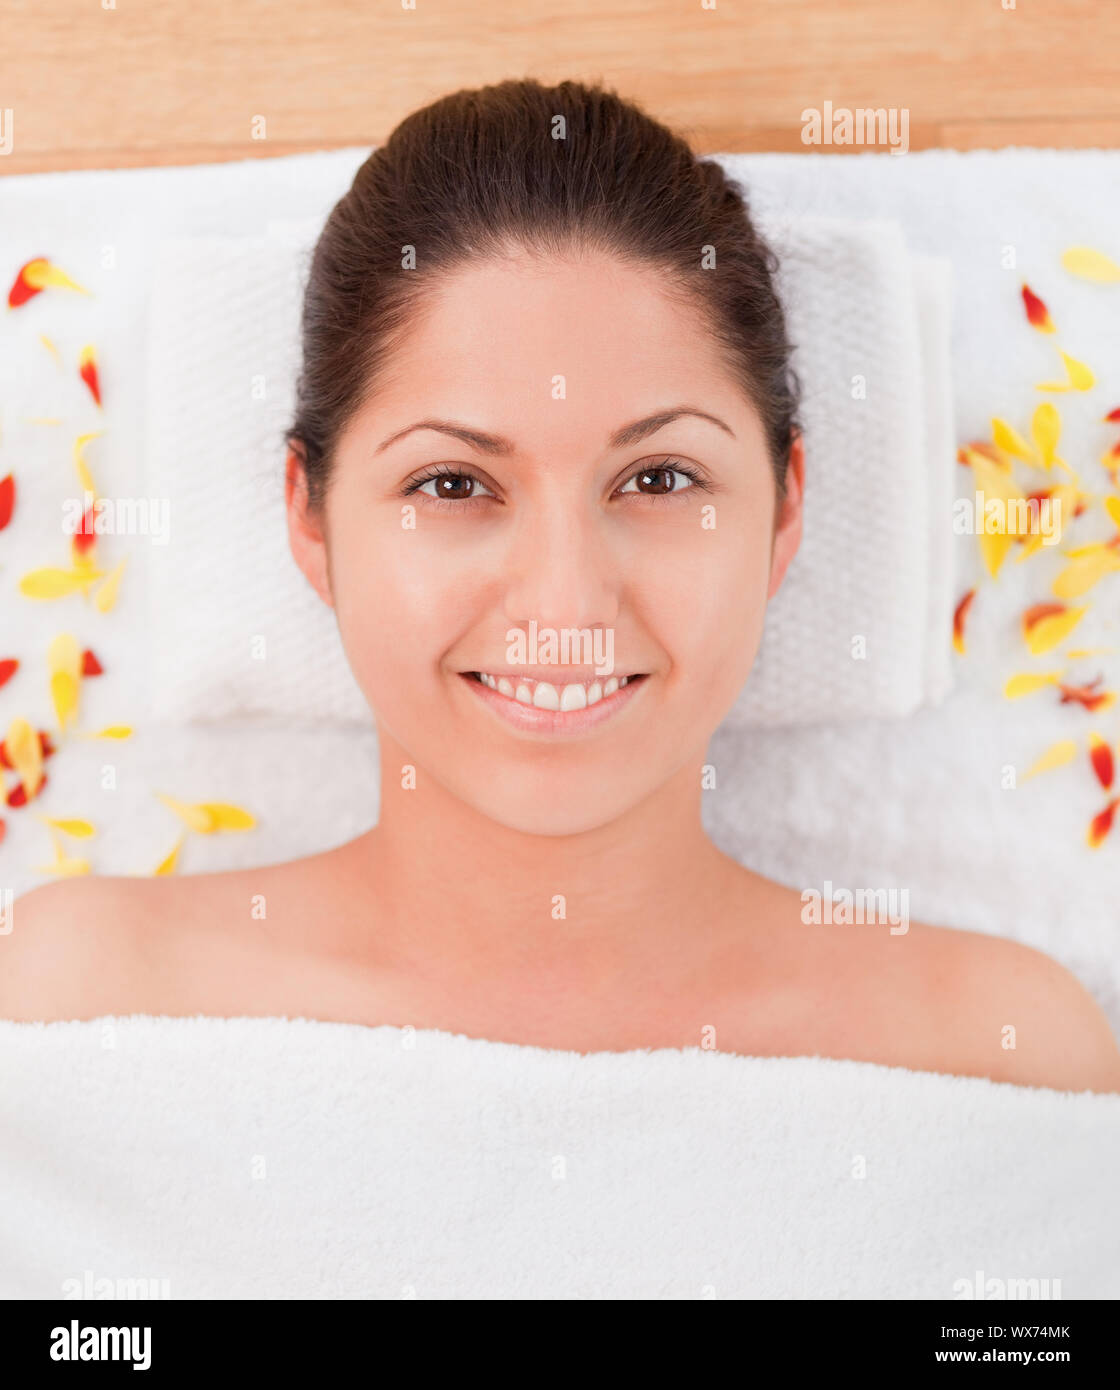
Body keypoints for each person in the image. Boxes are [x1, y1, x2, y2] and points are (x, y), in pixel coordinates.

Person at [4, 78, 1119, 1094]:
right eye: (452, 482)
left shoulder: (1000, 1055)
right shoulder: (84, 1006)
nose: (565, 602)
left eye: (658, 477)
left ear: (784, 510)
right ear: (307, 513)